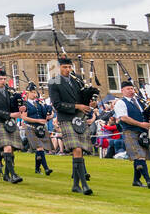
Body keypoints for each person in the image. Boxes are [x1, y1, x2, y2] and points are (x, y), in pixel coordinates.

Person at [49, 58, 95, 195]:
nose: (68, 69)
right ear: (58, 68)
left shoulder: (76, 81)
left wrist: (89, 103)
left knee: (79, 151)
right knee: (77, 149)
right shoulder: (54, 82)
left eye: (69, 67)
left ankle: (76, 185)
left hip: (79, 118)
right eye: (65, 67)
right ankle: (84, 185)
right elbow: (57, 104)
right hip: (66, 118)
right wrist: (76, 106)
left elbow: (82, 99)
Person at [112, 80, 150, 189]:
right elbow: (124, 118)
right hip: (130, 131)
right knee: (139, 156)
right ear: (122, 91)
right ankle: (148, 180)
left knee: (140, 157)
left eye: (132, 88)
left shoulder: (140, 101)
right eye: (128, 89)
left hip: (143, 133)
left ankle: (136, 181)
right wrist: (140, 124)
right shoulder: (121, 103)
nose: (131, 91)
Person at [0, 68, 24, 184]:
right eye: (1, 79)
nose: (3, 81)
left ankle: (6, 175)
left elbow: (16, 104)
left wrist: (21, 107)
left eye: (5, 79)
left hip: (10, 122)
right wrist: (9, 114)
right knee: (8, 147)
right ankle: (13, 174)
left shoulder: (10, 91)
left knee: (12, 150)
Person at [22, 86, 53, 175]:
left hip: (41, 128)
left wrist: (49, 114)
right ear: (27, 93)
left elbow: (46, 116)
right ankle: (46, 168)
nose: (35, 94)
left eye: (35, 92)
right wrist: (37, 120)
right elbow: (24, 117)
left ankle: (37, 169)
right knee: (40, 147)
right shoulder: (24, 104)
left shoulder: (39, 103)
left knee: (40, 149)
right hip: (30, 127)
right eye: (33, 92)